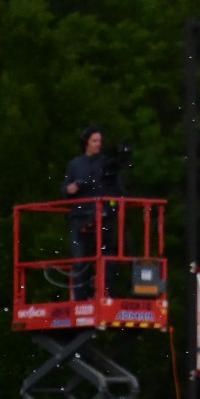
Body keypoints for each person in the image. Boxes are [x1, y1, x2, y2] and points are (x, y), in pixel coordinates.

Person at [63, 125, 123, 299]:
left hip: (103, 218)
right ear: (86, 143)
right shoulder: (75, 164)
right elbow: (65, 188)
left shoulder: (106, 164)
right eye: (94, 141)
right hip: (80, 218)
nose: (98, 144)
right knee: (80, 260)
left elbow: (119, 190)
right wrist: (71, 188)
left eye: (100, 141)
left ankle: (107, 294)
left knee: (107, 258)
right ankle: (81, 298)